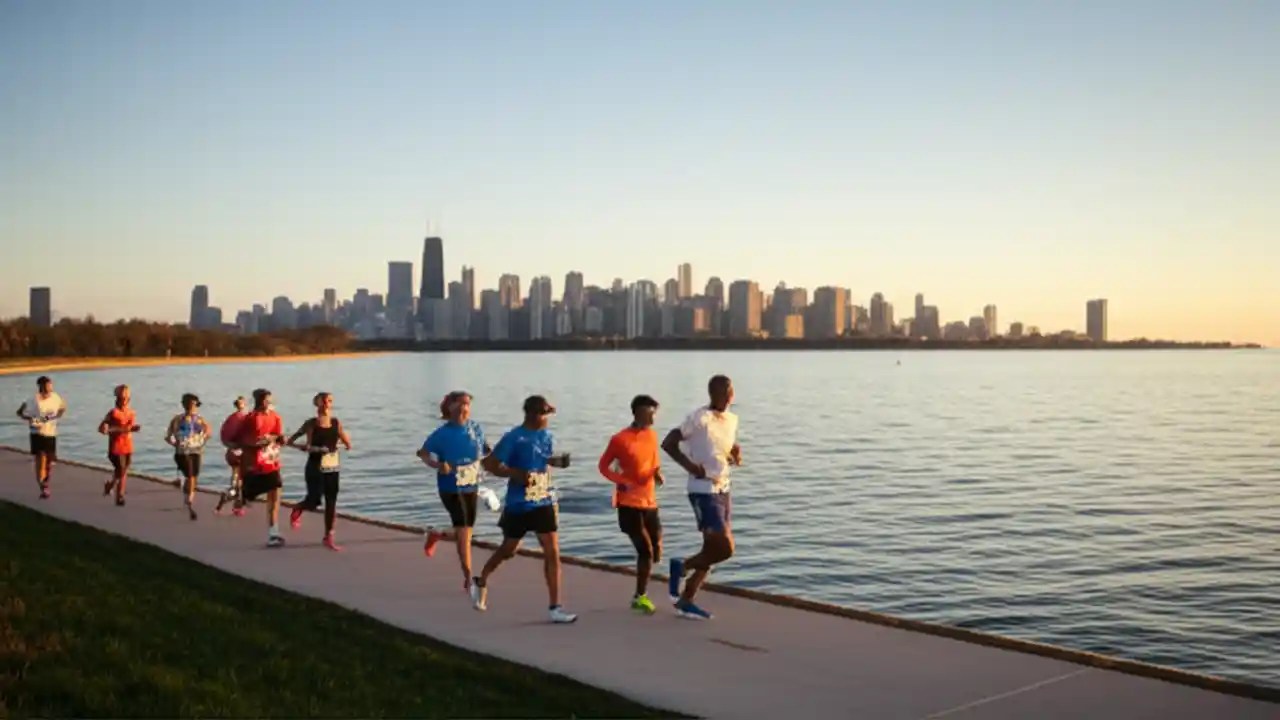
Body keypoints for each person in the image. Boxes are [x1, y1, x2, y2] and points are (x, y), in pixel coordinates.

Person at [473, 395, 577, 624]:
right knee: (509, 549)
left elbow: (543, 460)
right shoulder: (514, 437)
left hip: (543, 499)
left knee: (552, 551)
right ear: (533, 414)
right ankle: (481, 579)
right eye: (545, 414)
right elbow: (489, 465)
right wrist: (515, 474)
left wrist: (557, 463)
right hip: (519, 503)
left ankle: (555, 607)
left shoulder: (547, 435)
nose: (548, 418)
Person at [662, 375, 742, 620]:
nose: (727, 396)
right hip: (703, 490)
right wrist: (689, 466)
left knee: (711, 550)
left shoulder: (730, 419)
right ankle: (682, 567)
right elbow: (669, 443)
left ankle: (687, 600)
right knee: (725, 548)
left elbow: (721, 444)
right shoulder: (699, 418)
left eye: (728, 392)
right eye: (723, 392)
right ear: (715, 394)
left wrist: (734, 452)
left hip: (723, 488)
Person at [598, 394, 665, 615]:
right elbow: (604, 466)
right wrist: (621, 481)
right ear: (637, 412)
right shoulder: (620, 439)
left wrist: (657, 474)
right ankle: (640, 597)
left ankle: (642, 587)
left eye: (654, 414)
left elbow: (653, 463)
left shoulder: (652, 436)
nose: (653, 419)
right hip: (628, 504)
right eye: (649, 414)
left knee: (656, 550)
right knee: (645, 551)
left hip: (649, 502)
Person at [418, 391, 490, 591]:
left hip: (471, 484)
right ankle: (468, 577)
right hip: (450, 487)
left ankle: (438, 534)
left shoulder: (476, 428)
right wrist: (438, 464)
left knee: (466, 531)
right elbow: (423, 453)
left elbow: (486, 451)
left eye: (467, 404)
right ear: (448, 408)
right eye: (459, 405)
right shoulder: (442, 434)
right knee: (465, 532)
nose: (463, 409)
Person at [286, 392, 352, 551]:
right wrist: (313, 448)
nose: (330, 403)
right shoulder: (311, 423)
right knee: (314, 501)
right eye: (327, 400)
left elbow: (348, 444)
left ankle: (328, 536)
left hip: (332, 467)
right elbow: (291, 442)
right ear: (319, 403)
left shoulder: (336, 422)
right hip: (315, 467)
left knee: (331, 502)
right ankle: (298, 508)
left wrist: (341, 446)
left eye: (331, 400)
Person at [230, 388, 287, 547]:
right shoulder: (250, 418)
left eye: (267, 399)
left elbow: (278, 436)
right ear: (255, 400)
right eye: (262, 399)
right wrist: (251, 445)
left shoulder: (275, 417)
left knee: (275, 491)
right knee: (250, 495)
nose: (265, 402)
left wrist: (279, 439)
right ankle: (243, 498)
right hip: (253, 465)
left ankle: (273, 533)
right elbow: (237, 441)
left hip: (271, 461)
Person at [15, 375, 66, 499]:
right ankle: (43, 487)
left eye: (51, 385)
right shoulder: (33, 400)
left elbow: (62, 407)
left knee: (50, 462)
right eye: (48, 385)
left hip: (51, 433)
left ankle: (45, 481)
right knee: (41, 459)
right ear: (41, 387)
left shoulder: (55, 397)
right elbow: (19, 412)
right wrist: (31, 419)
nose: (50, 387)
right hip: (37, 433)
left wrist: (56, 416)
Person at [165, 393, 211, 521]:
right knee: (190, 476)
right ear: (184, 404)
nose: (193, 406)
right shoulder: (178, 419)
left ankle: (187, 496)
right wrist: (175, 444)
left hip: (196, 450)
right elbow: (169, 436)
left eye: (195, 404)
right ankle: (190, 502)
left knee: (194, 476)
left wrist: (203, 440)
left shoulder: (200, 419)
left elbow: (208, 431)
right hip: (182, 452)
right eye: (190, 404)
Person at [98, 384, 141, 507]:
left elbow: (130, 428)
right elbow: (102, 429)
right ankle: (120, 496)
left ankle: (110, 486)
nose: (124, 401)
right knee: (121, 470)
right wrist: (113, 429)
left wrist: (133, 429)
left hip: (128, 446)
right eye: (121, 398)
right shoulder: (113, 413)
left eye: (126, 398)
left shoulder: (131, 413)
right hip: (116, 448)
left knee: (123, 471)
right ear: (117, 399)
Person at [216, 396, 249, 516]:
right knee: (241, 478)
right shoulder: (246, 418)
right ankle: (236, 502)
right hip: (242, 453)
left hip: (232, 452)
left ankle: (232, 496)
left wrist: (231, 446)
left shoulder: (230, 419)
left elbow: (224, 437)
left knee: (236, 476)